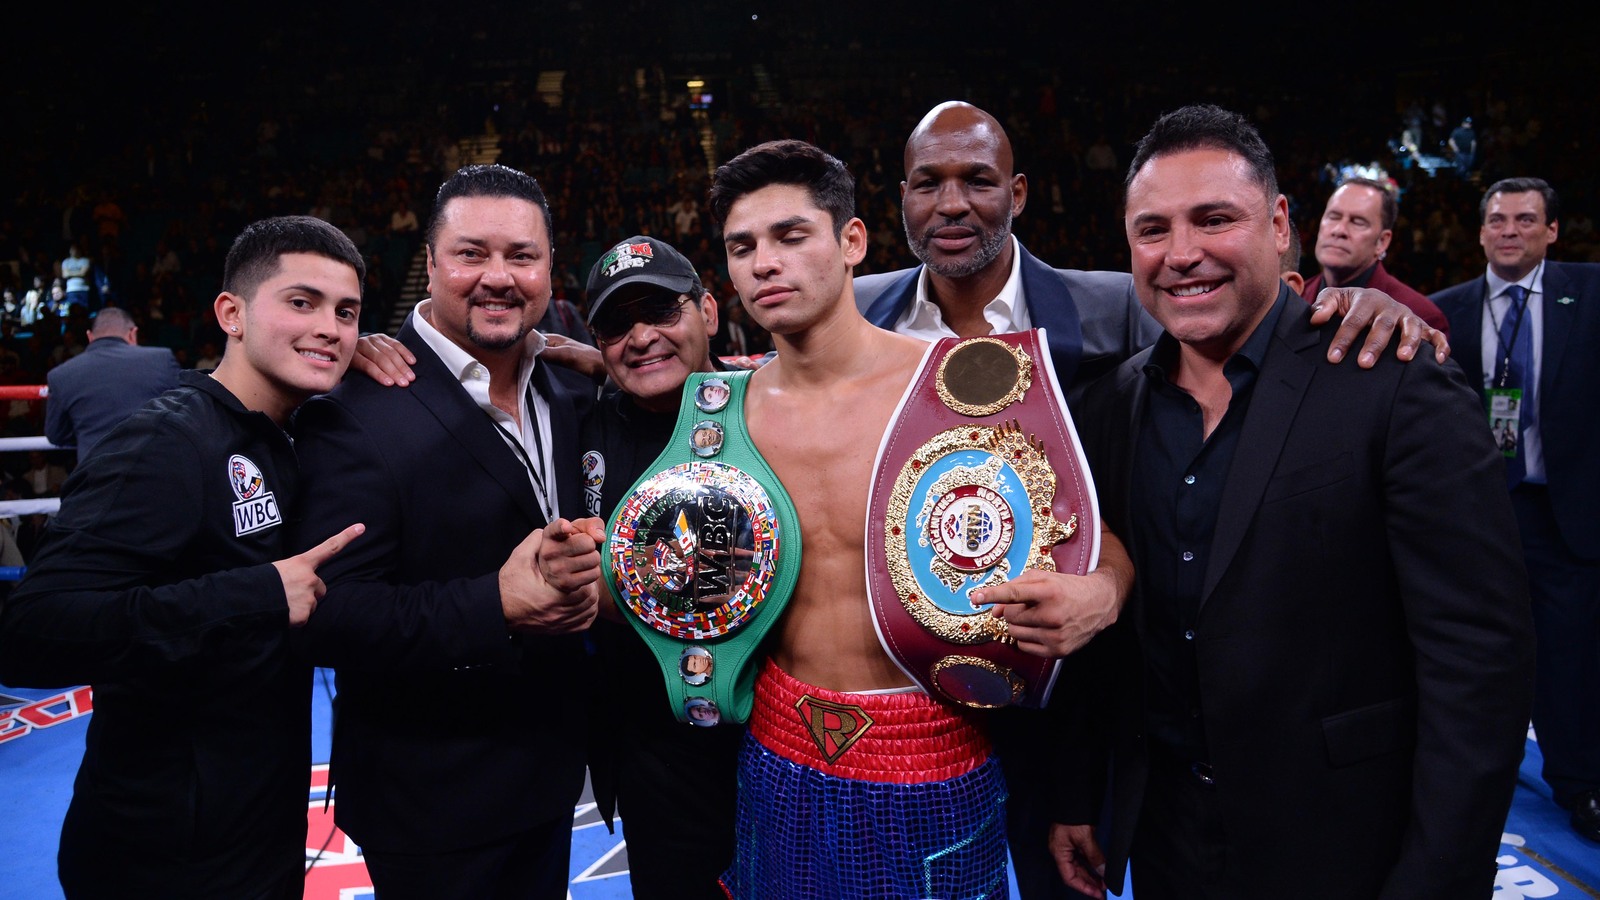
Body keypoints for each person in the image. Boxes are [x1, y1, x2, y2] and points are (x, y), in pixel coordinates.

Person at [853, 98, 1453, 899]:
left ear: (1020, 193)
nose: (953, 202)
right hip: (904, 700)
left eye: (978, 179)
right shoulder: (854, 318)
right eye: (928, 182)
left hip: (1079, 698)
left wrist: (1363, 301)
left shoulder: (1118, 309)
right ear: (900, 197)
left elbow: (1252, 329)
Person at [1051, 103, 1535, 900]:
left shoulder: (1398, 381)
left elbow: (1480, 665)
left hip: (1351, 848)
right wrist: (1080, 791)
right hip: (1167, 843)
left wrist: (1439, 877)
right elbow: (1111, 640)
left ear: (1281, 225)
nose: (1182, 255)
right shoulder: (1109, 408)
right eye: (1152, 230)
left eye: (1214, 219)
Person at [703, 137, 1134, 899]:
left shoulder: (953, 388)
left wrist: (1101, 595)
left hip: (935, 749)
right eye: (743, 247)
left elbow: (1091, 539)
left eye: (791, 236)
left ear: (852, 242)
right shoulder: (722, 416)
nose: (765, 263)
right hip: (774, 743)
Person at [0, 215, 369, 899]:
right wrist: (255, 595)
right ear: (230, 312)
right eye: (301, 302)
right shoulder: (164, 441)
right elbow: (32, 630)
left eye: (346, 313)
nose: (330, 328)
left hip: (256, 834)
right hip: (161, 855)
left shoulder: (289, 435)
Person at [287, 163, 606, 900]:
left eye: (521, 256)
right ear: (429, 264)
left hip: (553, 772)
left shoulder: (570, 387)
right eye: (471, 254)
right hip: (429, 798)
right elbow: (327, 614)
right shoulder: (352, 408)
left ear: (550, 268)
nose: (498, 277)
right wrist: (493, 603)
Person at [1429, 176, 1600, 844]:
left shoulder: (1589, 294)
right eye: (1497, 219)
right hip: (1482, 519)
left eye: (1525, 220)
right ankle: (1466, 787)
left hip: (1569, 515)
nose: (1509, 230)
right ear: (1479, 232)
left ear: (1552, 231)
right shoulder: (1448, 309)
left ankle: (1581, 783)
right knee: (1475, 657)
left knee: (1572, 659)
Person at [1300, 177, 1449, 334]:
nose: (1339, 230)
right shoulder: (1295, 296)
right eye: (1333, 216)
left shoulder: (1421, 317)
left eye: (1357, 222)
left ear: (1382, 242)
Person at [44, 305, 180, 462]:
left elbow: (56, 435)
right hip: (154, 470)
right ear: (133, 333)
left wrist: (87, 434)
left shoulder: (61, 375)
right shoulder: (161, 359)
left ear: (89, 336)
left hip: (96, 475)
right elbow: (183, 415)